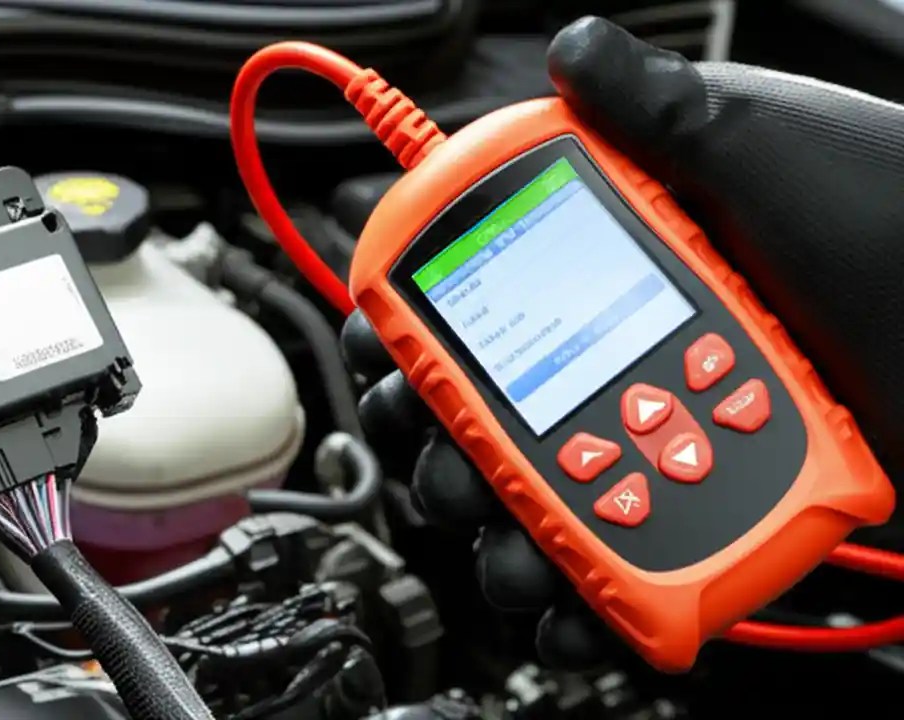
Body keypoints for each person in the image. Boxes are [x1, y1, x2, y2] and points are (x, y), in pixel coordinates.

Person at [341, 16, 904, 668]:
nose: (658, 424)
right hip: (797, 504)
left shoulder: (540, 143)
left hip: (832, 483)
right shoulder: (535, 147)